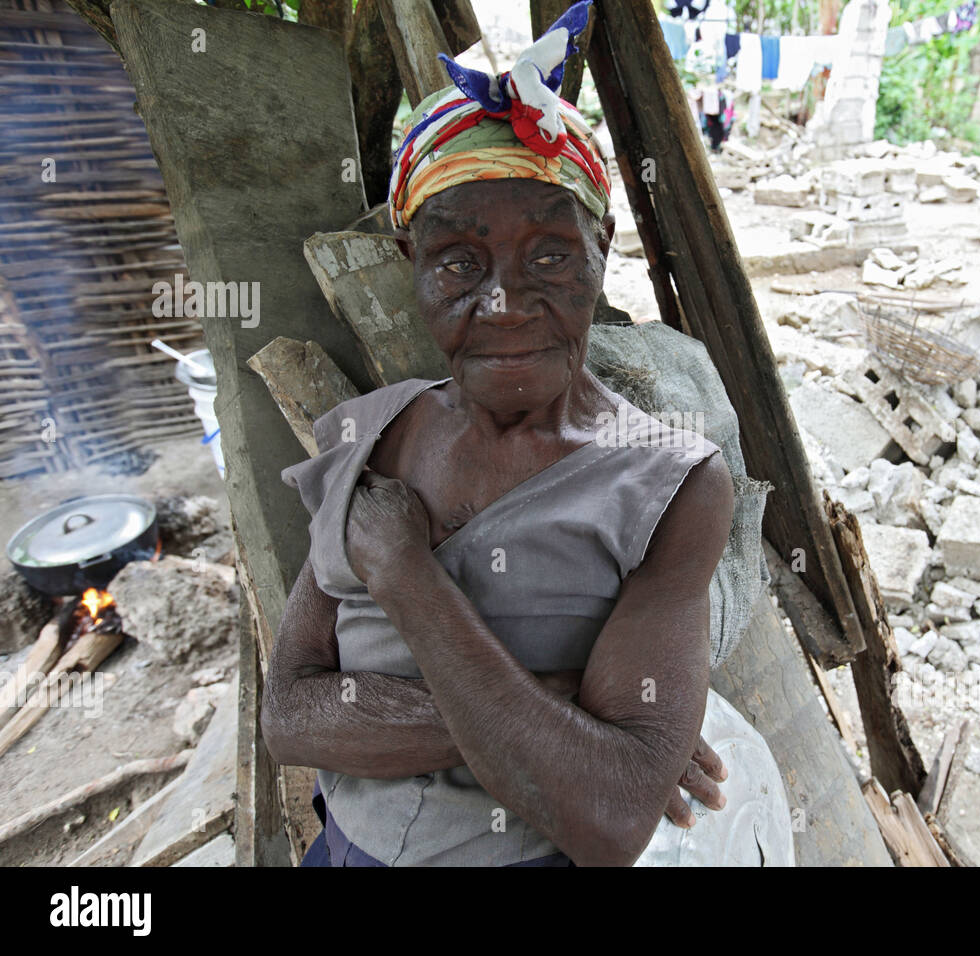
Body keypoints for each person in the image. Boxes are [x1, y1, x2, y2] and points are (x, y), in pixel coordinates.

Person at [261, 1, 785, 867]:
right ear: (410, 264)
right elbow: (289, 716)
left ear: (602, 250)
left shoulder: (672, 489)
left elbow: (609, 814)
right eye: (459, 264)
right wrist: (556, 711)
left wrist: (407, 575)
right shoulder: (367, 437)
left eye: (549, 256)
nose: (503, 305)